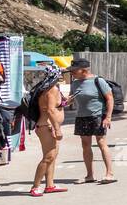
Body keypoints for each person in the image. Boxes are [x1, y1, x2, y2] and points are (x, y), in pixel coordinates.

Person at [69, 58, 116, 184]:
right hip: (81, 116)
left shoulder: (98, 81)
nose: (72, 73)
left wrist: (108, 117)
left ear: (84, 70)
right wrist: (67, 101)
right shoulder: (74, 83)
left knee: (101, 142)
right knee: (85, 145)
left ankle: (109, 173)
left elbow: (110, 98)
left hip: (97, 116)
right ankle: (89, 175)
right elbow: (71, 98)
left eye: (74, 70)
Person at [29, 69, 67, 197]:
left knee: (52, 156)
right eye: (62, 75)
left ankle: (50, 185)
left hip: (47, 126)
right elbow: (50, 111)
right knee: (49, 156)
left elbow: (52, 107)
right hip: (47, 126)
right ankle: (35, 186)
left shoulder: (48, 89)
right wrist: (57, 129)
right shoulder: (52, 89)